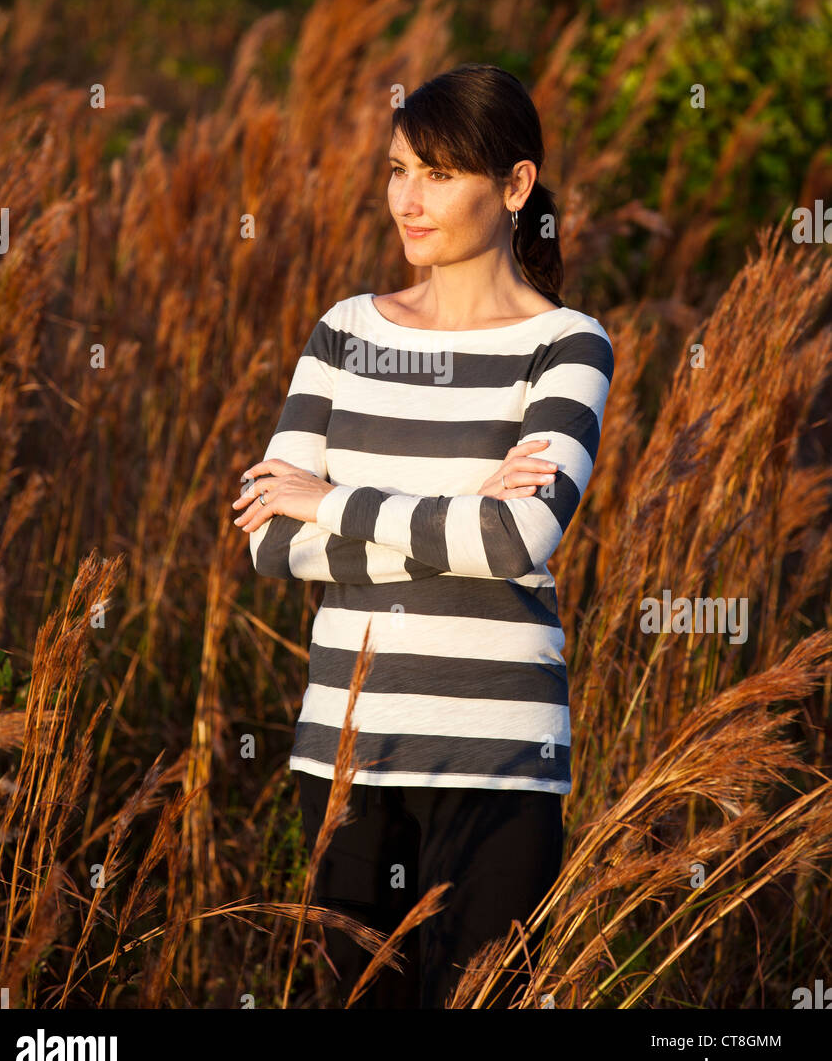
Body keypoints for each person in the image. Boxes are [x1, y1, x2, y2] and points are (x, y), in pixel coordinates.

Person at [232, 63, 615, 1008]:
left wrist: (327, 496)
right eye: (400, 169)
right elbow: (264, 538)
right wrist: (449, 513)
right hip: (350, 755)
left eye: (440, 175)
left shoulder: (567, 345)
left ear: (515, 187)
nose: (409, 198)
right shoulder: (343, 332)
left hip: (500, 760)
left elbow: (517, 540)